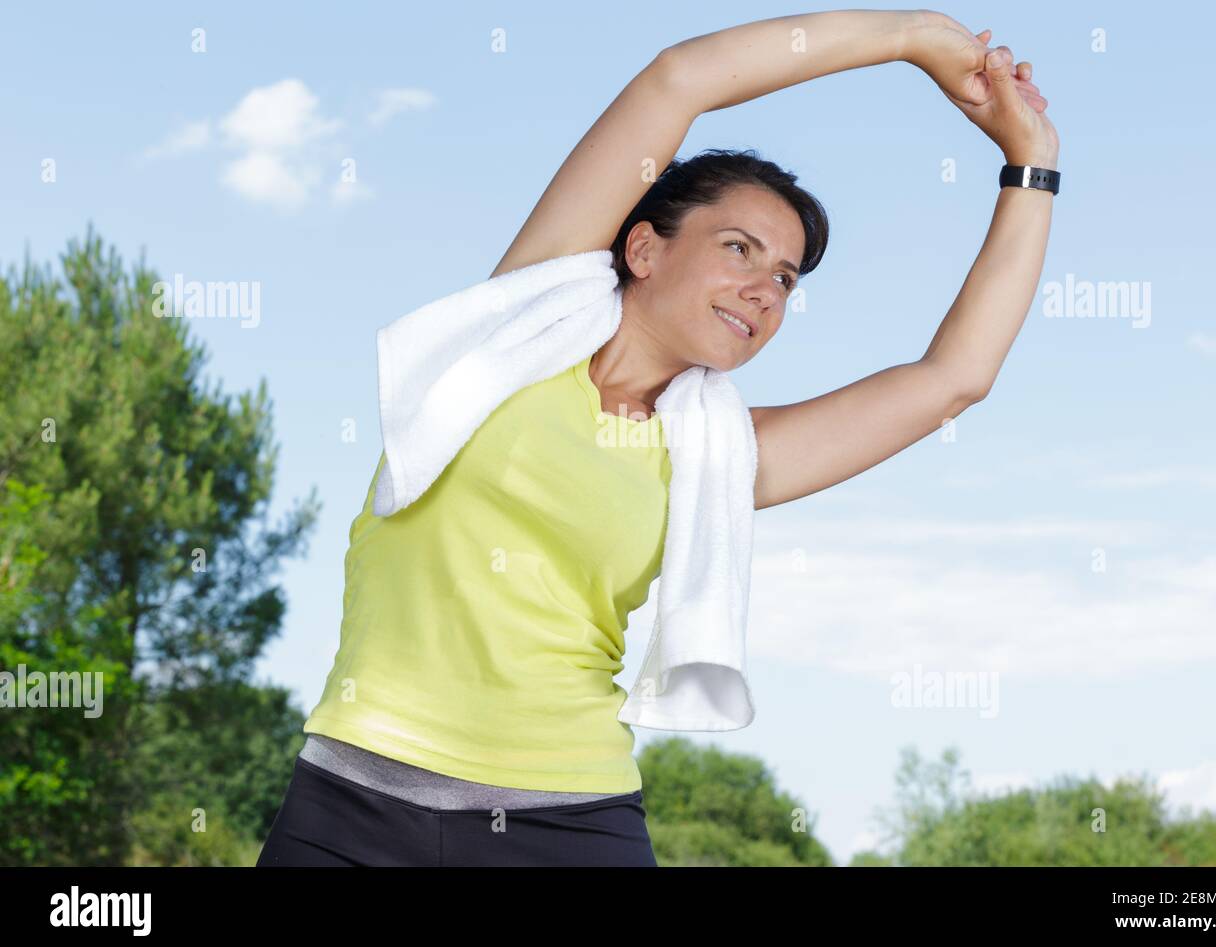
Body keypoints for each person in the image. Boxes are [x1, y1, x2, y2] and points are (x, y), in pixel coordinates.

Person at [256, 8, 1058, 867]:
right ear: (642, 247)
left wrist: (1033, 165)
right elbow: (681, 78)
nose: (764, 290)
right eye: (740, 249)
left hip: (567, 821)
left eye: (784, 277)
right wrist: (910, 38)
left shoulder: (715, 455)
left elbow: (953, 379)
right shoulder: (521, 323)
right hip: (349, 803)